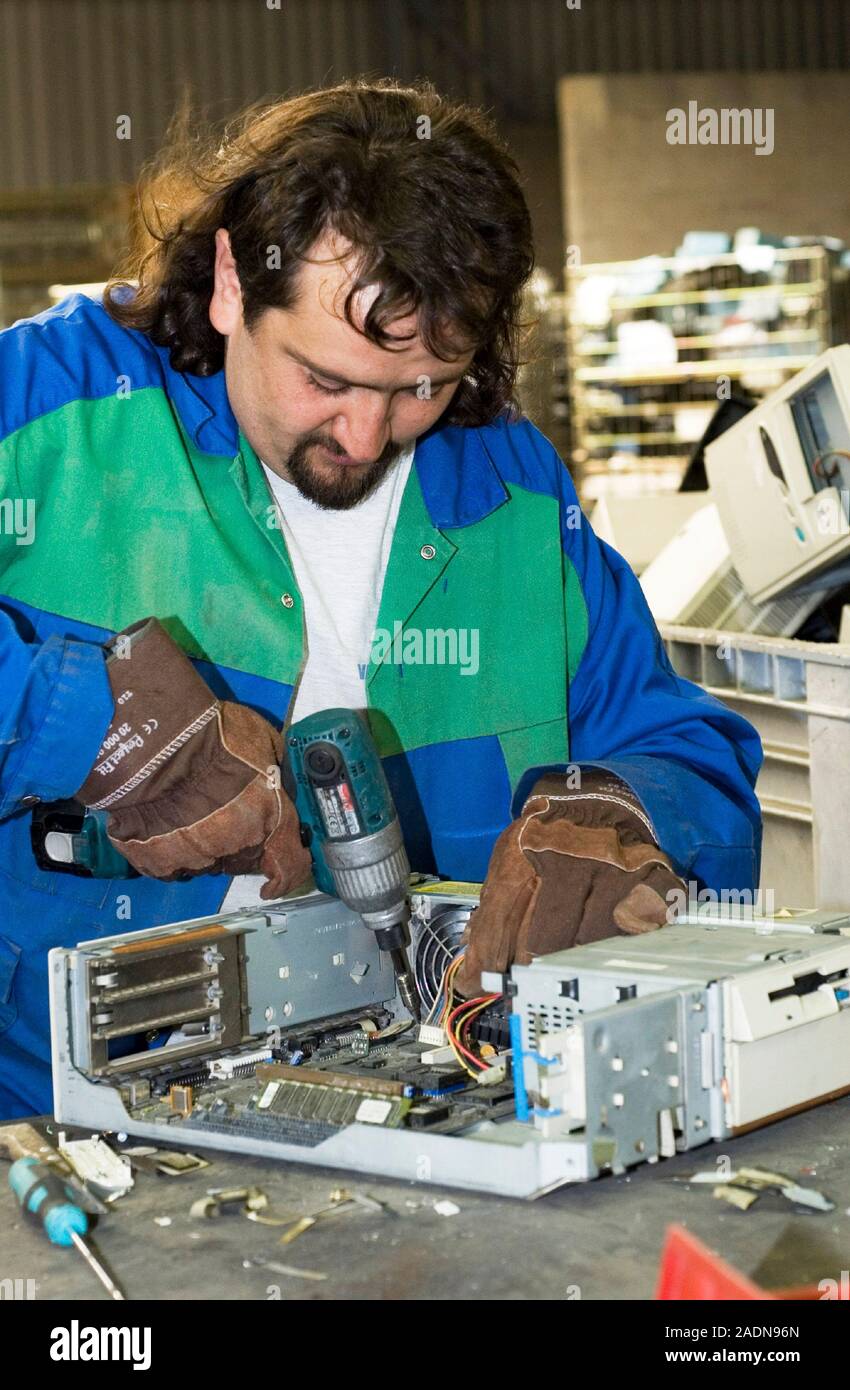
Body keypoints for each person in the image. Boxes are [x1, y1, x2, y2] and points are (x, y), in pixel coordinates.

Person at [0, 79, 762, 1119]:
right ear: (231, 281)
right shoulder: (46, 408)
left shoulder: (513, 485)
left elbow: (676, 743)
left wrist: (624, 811)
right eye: (325, 378)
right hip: (51, 1120)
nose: (364, 439)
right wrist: (86, 725)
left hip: (430, 1123)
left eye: (421, 387)